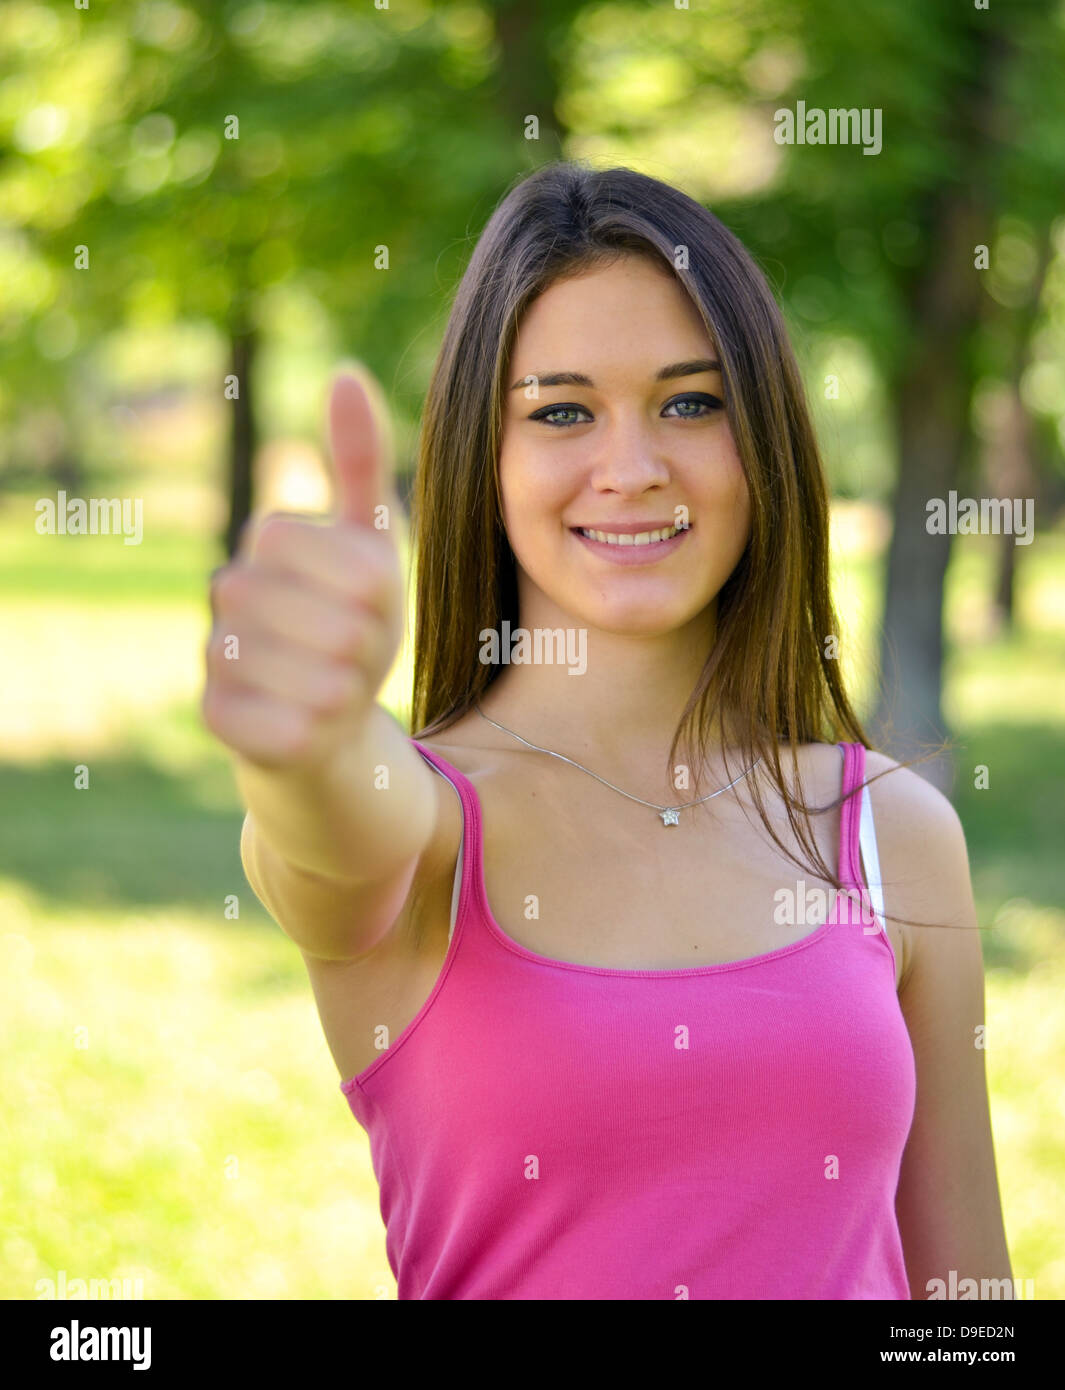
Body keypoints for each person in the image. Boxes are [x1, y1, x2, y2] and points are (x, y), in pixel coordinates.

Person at [202, 161, 1012, 1300]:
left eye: (691, 401)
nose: (631, 468)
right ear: (485, 456)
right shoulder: (426, 827)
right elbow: (329, 818)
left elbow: (968, 1305)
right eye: (562, 411)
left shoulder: (892, 833)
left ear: (763, 436)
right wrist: (304, 738)